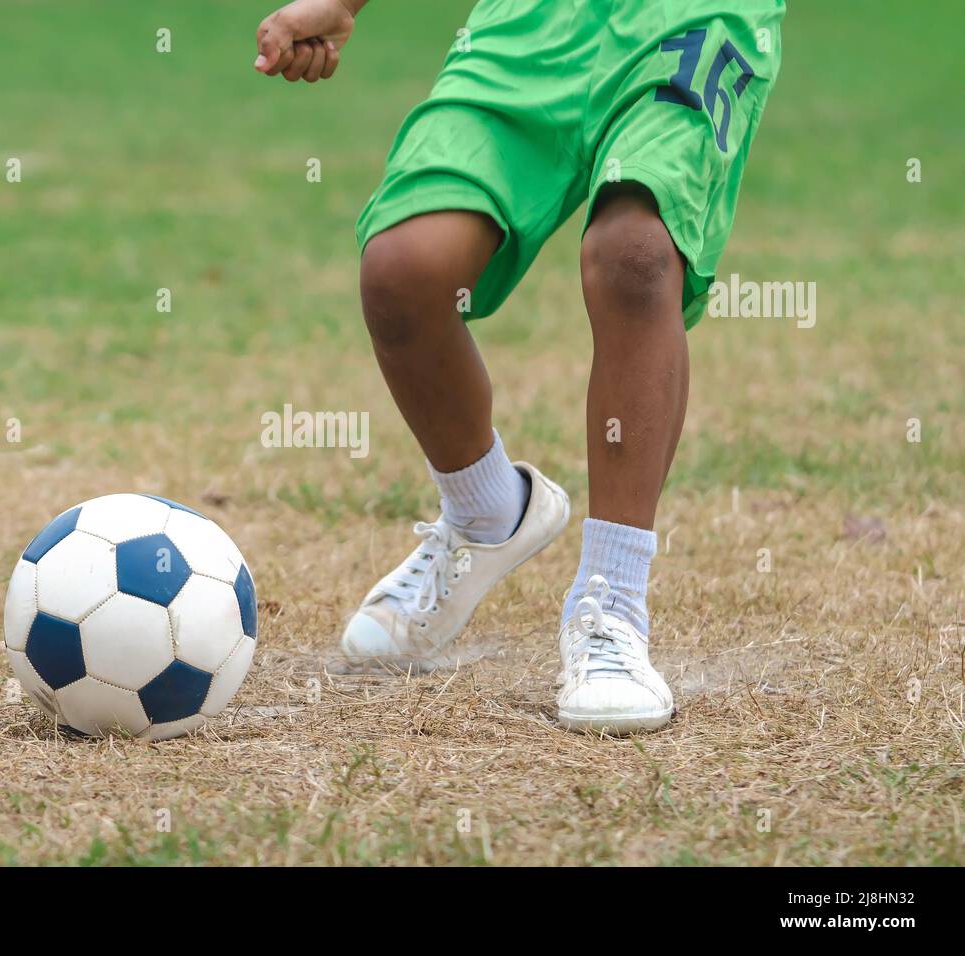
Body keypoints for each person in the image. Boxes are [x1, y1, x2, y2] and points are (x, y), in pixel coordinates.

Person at [253, 0, 784, 733]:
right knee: (403, 270)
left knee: (634, 254)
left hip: (689, 16)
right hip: (533, 20)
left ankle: (612, 604)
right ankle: (486, 509)